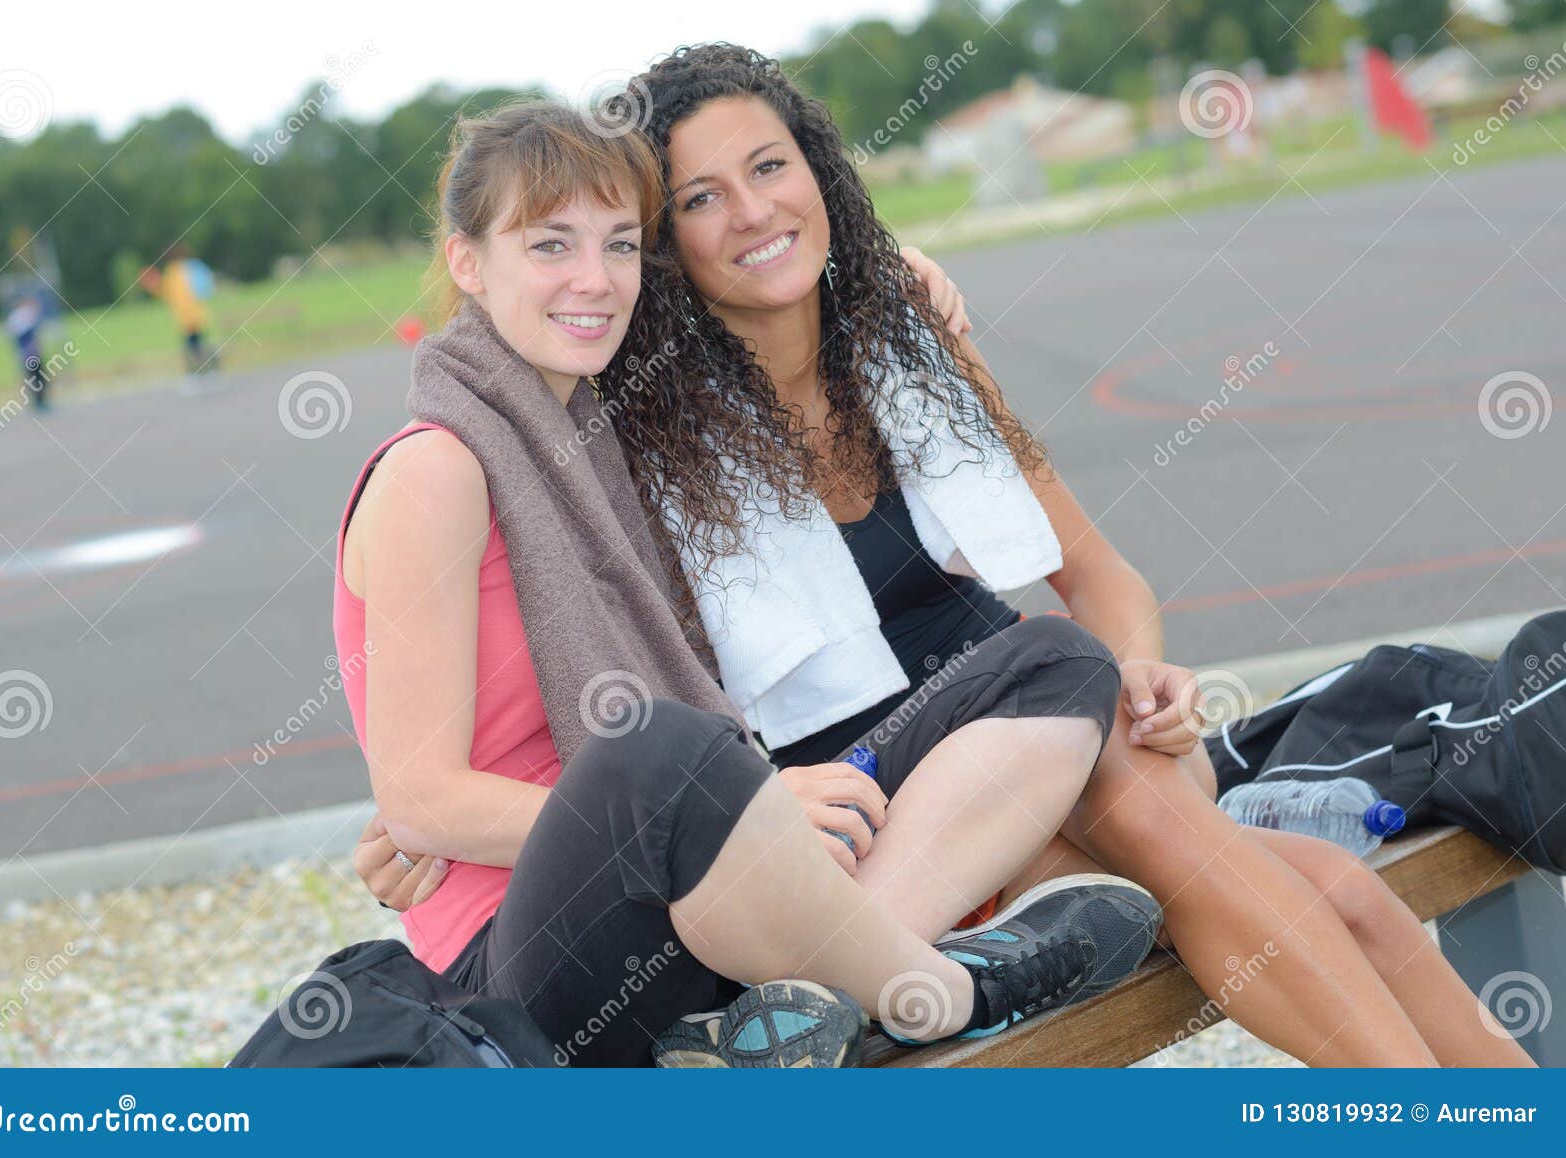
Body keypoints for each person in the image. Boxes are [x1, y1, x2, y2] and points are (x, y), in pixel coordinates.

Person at [365, 43, 1533, 1068]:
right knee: (1155, 764)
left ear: (819, 171)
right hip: (883, 805)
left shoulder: (910, 342)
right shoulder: (644, 433)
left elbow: (1100, 575)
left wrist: (1138, 671)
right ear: (665, 247)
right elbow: (574, 667)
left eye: (771, 167)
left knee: (1333, 887)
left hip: (1044, 734)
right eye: (702, 199)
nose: (753, 212)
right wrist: (427, 823)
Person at [337, 99, 1161, 1068]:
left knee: (1053, 660)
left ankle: (803, 1009)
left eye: (619, 245)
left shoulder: (598, 438)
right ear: (469, 264)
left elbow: (767, 293)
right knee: (656, 753)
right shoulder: (435, 471)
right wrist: (734, 810)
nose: (594, 279)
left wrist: (888, 275)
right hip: (536, 963)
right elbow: (420, 800)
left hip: (701, 912)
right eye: (550, 244)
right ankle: (940, 991)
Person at [140, 244, 218, 378]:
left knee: (194, 346)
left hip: (188, 316)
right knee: (197, 344)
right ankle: (206, 371)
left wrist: (152, 284)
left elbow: (166, 291)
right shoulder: (189, 268)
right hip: (193, 315)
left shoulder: (175, 272)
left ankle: (202, 372)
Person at [4, 295, 49, 409]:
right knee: (36, 377)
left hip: (31, 353)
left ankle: (40, 401)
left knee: (38, 377)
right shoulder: (20, 317)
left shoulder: (20, 317)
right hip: (28, 354)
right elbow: (22, 336)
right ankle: (38, 402)